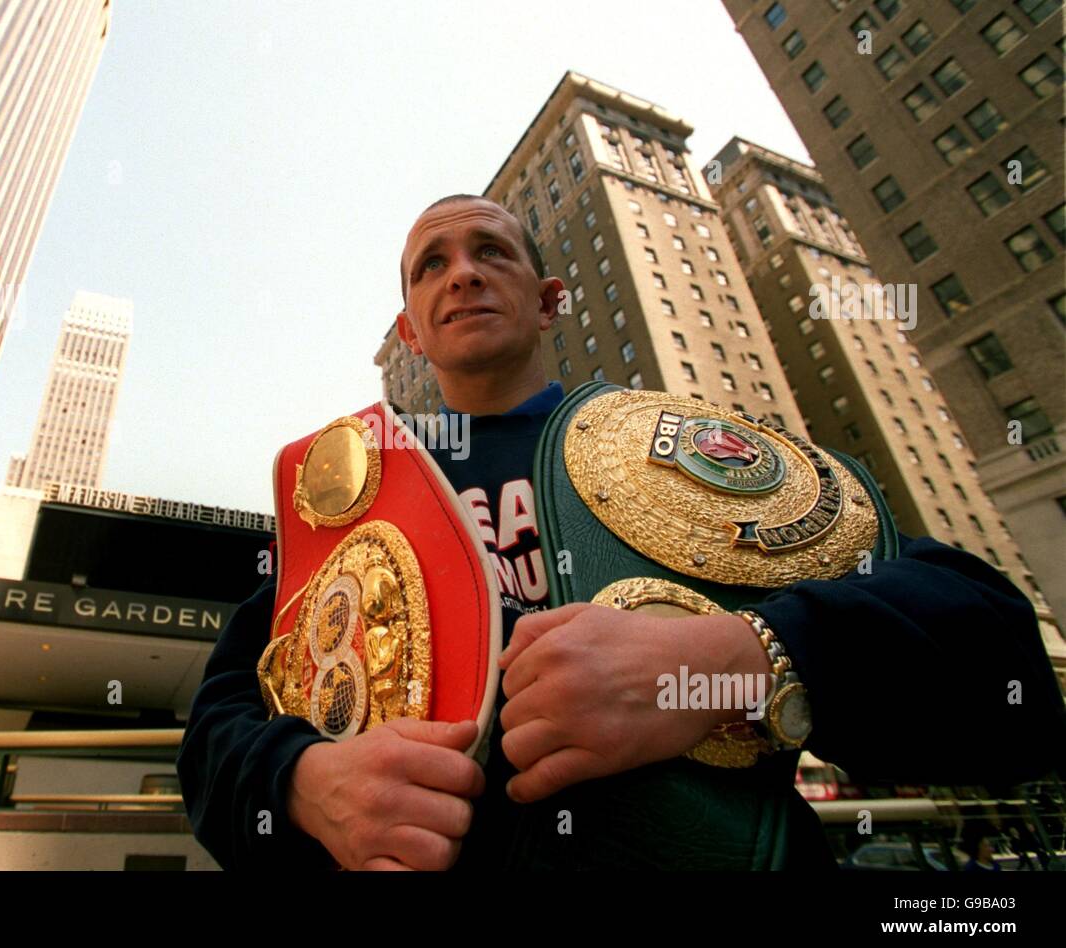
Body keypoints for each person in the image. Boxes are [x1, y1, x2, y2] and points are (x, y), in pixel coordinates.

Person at [177, 193, 1066, 871]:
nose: (464, 273)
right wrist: (301, 784)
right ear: (410, 327)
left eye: (492, 251)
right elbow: (216, 729)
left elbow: (998, 655)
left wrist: (727, 665)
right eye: (431, 265)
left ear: (549, 298)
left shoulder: (678, 447)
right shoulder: (359, 504)